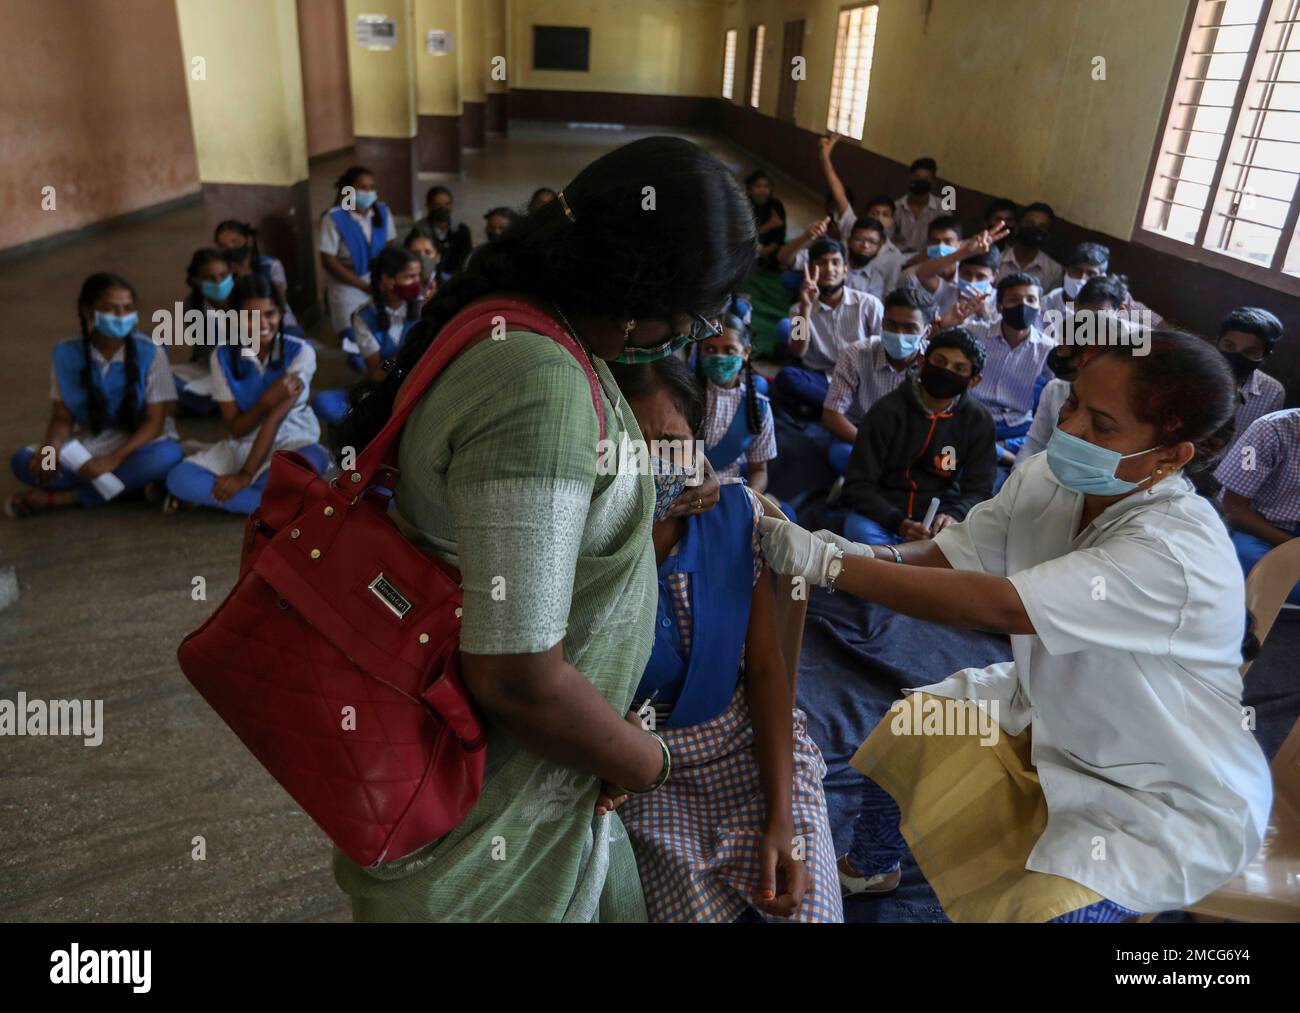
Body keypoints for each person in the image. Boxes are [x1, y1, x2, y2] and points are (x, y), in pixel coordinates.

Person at [330, 135, 756, 923]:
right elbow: (517, 675)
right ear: (641, 290)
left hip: (533, 777)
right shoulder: (539, 387)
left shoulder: (526, 327)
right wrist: (645, 758)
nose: (697, 338)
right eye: (697, 313)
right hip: (491, 822)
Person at [758, 331, 1272, 920]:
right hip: (1051, 702)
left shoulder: (1172, 551)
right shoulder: (1048, 480)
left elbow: (1001, 604)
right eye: (1073, 404)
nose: (1071, 430)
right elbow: (954, 553)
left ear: (1170, 456)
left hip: (1157, 783)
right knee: (914, 725)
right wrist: (859, 554)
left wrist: (831, 565)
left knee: (1045, 910)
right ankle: (873, 864)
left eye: (1103, 427)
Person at [608, 356, 842, 923]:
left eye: (670, 441)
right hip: (643, 771)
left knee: (805, 904)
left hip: (744, 744)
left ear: (698, 446)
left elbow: (766, 670)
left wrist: (783, 817)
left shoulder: (735, 516)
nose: (652, 461)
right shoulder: (591, 542)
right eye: (632, 443)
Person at [7, 273, 182, 518]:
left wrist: (113, 460)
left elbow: (155, 422)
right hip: (94, 439)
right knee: (27, 463)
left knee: (166, 457)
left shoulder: (151, 352)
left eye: (128, 308)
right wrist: (50, 448)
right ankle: (131, 489)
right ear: (87, 311)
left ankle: (69, 498)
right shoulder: (65, 354)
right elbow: (62, 416)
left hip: (139, 442)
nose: (121, 317)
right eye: (111, 309)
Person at [164, 275, 329, 514]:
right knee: (179, 479)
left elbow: (274, 420)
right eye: (250, 316)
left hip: (294, 439)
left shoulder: (300, 352)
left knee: (310, 462)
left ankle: (255, 500)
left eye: (269, 314)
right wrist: (266, 401)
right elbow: (237, 428)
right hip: (244, 443)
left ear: (281, 313)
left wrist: (244, 475)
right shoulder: (222, 357)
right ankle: (286, 505)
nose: (262, 323)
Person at [840, 326, 996, 545]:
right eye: (940, 362)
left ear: (974, 380)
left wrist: (954, 516)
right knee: (860, 536)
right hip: (884, 513)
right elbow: (858, 484)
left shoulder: (979, 421)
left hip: (941, 519)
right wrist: (898, 523)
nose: (946, 371)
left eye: (959, 368)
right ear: (922, 362)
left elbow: (979, 490)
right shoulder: (886, 411)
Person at [1016, 276, 1130, 465]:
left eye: (1098, 318)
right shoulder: (1056, 388)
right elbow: (1035, 444)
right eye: (1083, 318)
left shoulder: (1128, 385)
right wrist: (1018, 479)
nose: (1087, 328)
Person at [823, 286, 936, 474]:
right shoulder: (856, 353)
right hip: (861, 431)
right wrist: (875, 446)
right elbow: (832, 415)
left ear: (926, 331)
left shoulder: (936, 363)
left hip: (911, 436)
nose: (899, 333)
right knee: (842, 455)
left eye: (909, 328)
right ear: (882, 323)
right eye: (891, 325)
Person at [311, 247, 425, 426]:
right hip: (390, 383)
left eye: (418, 276)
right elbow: (378, 372)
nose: (417, 282)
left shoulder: (423, 306)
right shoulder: (364, 317)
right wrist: (402, 359)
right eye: (410, 277)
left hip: (422, 381)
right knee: (324, 402)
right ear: (388, 280)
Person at [773, 238, 884, 417]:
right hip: (825, 380)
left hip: (863, 381)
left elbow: (884, 349)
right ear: (810, 270)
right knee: (787, 377)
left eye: (835, 263)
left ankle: (831, 411)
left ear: (845, 270)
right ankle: (849, 412)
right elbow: (797, 351)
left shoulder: (869, 304)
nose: (829, 269)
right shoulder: (798, 309)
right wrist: (805, 308)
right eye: (822, 263)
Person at [967, 273, 1054, 472]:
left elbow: (1051, 405)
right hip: (972, 416)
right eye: (1014, 300)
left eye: (1030, 300)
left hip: (1015, 427)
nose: (1023, 306)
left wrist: (1007, 446)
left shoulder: (1048, 349)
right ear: (1000, 306)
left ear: (1039, 306)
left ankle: (998, 452)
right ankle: (1000, 456)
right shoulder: (975, 333)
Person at [1216, 408, 1300, 605]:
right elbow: (1234, 511)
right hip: (1261, 531)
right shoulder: (1270, 429)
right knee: (1252, 563)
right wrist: (1293, 547)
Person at [696, 314, 776, 493]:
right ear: (699, 351)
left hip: (728, 491)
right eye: (709, 349)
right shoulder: (684, 396)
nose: (719, 357)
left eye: (729, 350)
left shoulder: (758, 409)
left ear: (745, 353)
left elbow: (759, 471)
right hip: (684, 488)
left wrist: (749, 499)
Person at [318, 165, 397, 336]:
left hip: (377, 277)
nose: (368, 192)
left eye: (372, 187)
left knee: (386, 330)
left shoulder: (382, 211)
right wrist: (364, 286)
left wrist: (384, 277)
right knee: (354, 336)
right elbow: (328, 260)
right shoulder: (334, 217)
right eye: (362, 187)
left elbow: (390, 245)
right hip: (347, 282)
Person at [170, 247, 238, 416]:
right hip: (213, 369)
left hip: (248, 370)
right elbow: (207, 352)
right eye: (209, 278)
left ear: (231, 272)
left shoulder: (247, 298)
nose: (218, 282)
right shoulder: (192, 306)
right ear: (195, 280)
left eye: (223, 276)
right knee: (163, 380)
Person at [1215, 307, 1286, 462]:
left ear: (1264, 356)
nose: (1236, 356)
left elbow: (1259, 447)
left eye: (1250, 352)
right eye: (1229, 346)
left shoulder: (1272, 392)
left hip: (1226, 473)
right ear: (1218, 341)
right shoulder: (1195, 373)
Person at [906, 220, 1009, 323]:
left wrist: (985, 315)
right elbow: (922, 274)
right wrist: (964, 252)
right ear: (959, 270)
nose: (972, 281)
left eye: (981, 276)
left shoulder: (1001, 300)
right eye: (967, 274)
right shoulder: (948, 291)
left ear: (994, 276)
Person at [212, 219, 302, 335]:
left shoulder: (270, 265)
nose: (230, 249)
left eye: (235, 242)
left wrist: (244, 276)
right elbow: (224, 307)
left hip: (279, 325)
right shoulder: (222, 274)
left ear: (249, 240)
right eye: (223, 246)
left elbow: (281, 301)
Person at [995, 202, 1062, 293]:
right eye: (1029, 224)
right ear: (1017, 227)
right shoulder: (997, 259)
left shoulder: (1054, 270)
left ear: (1048, 234)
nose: (1034, 229)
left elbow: (1063, 302)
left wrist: (1071, 305)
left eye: (1042, 227)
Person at [1040, 242, 1109, 325]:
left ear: (1102, 278)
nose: (1082, 279)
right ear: (1066, 271)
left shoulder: (1104, 310)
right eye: (1076, 271)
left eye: (1091, 274)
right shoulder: (1047, 303)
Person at [414, 185, 473, 279]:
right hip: (428, 279)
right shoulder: (418, 230)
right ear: (428, 206)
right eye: (437, 205)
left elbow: (467, 260)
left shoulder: (462, 230)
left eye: (446, 204)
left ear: (452, 205)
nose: (443, 208)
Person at [893, 157, 943, 254]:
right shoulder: (896, 207)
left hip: (927, 258)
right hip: (898, 257)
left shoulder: (941, 209)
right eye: (917, 177)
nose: (920, 181)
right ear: (910, 179)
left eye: (925, 179)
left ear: (933, 183)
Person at [745, 169, 786, 270]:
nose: (762, 190)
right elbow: (744, 235)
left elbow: (781, 233)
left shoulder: (776, 205)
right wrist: (769, 225)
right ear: (749, 189)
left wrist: (770, 248)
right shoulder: (743, 204)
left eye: (766, 186)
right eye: (758, 186)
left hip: (769, 245)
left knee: (784, 256)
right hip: (749, 243)